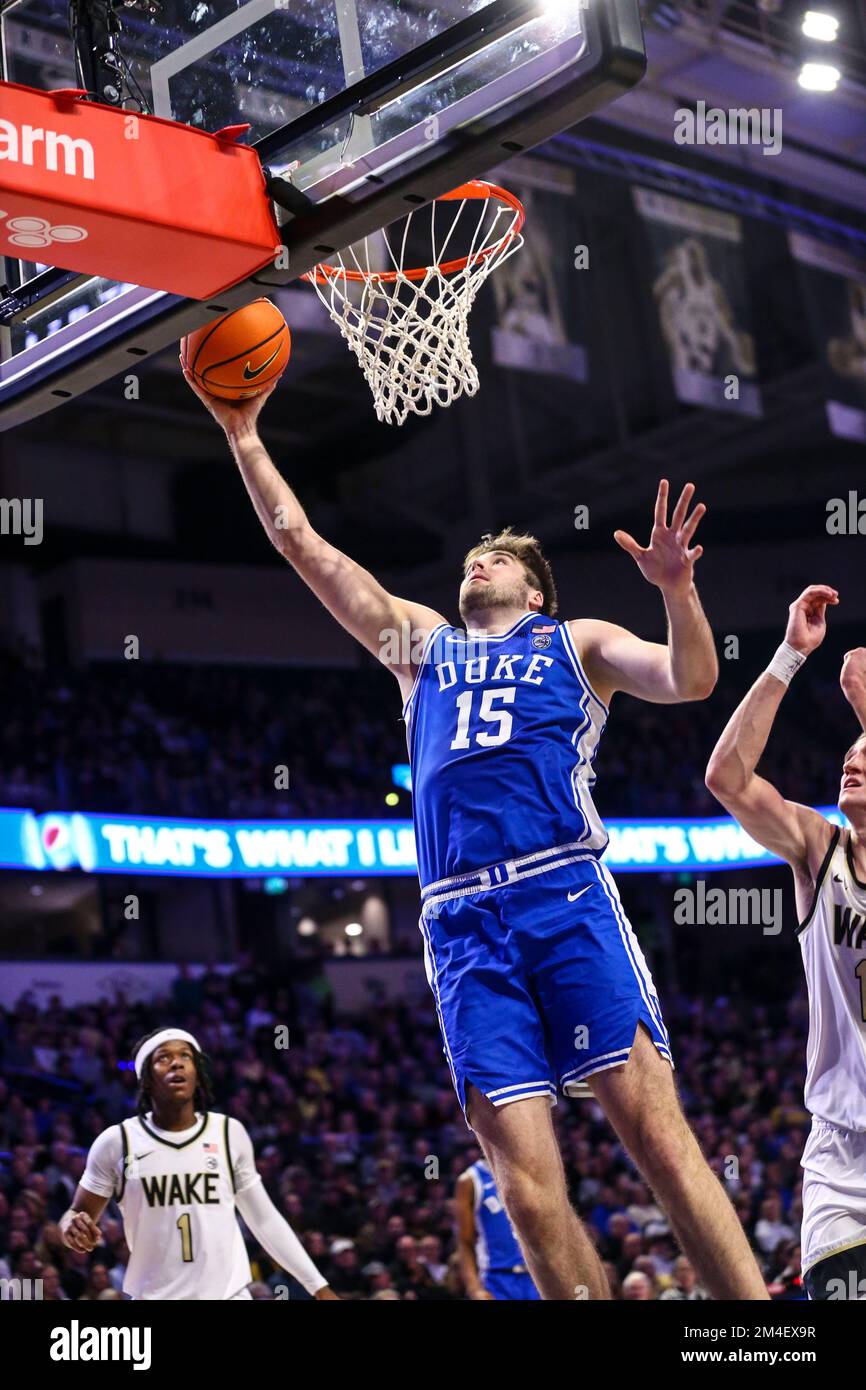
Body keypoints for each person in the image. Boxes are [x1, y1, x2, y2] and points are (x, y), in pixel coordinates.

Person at [183, 371, 768, 1301]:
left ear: (535, 593)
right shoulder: (423, 647)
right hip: (458, 921)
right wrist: (244, 432)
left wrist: (678, 590)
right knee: (527, 1195)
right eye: (472, 559)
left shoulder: (574, 642)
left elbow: (691, 679)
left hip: (561, 892)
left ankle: (763, 1333)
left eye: (498, 560)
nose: (476, 564)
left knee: (656, 1139)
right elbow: (304, 547)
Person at [706, 587, 866, 1301]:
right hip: (841, 1154)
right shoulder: (819, 847)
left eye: (865, 752)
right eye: (850, 754)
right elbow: (727, 779)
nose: (851, 762)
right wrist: (789, 656)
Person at [58, 1029, 337, 1301]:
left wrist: (318, 1287)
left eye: (185, 1056)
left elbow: (264, 1219)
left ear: (197, 1074)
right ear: (146, 1079)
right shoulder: (117, 1142)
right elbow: (76, 1213)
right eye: (163, 1057)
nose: (177, 1062)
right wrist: (72, 1227)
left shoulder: (229, 1133)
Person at [456, 1158, 540, 1300]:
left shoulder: (530, 1172)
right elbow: (465, 1242)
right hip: (497, 1279)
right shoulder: (470, 1179)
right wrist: (474, 1289)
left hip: (537, 1276)